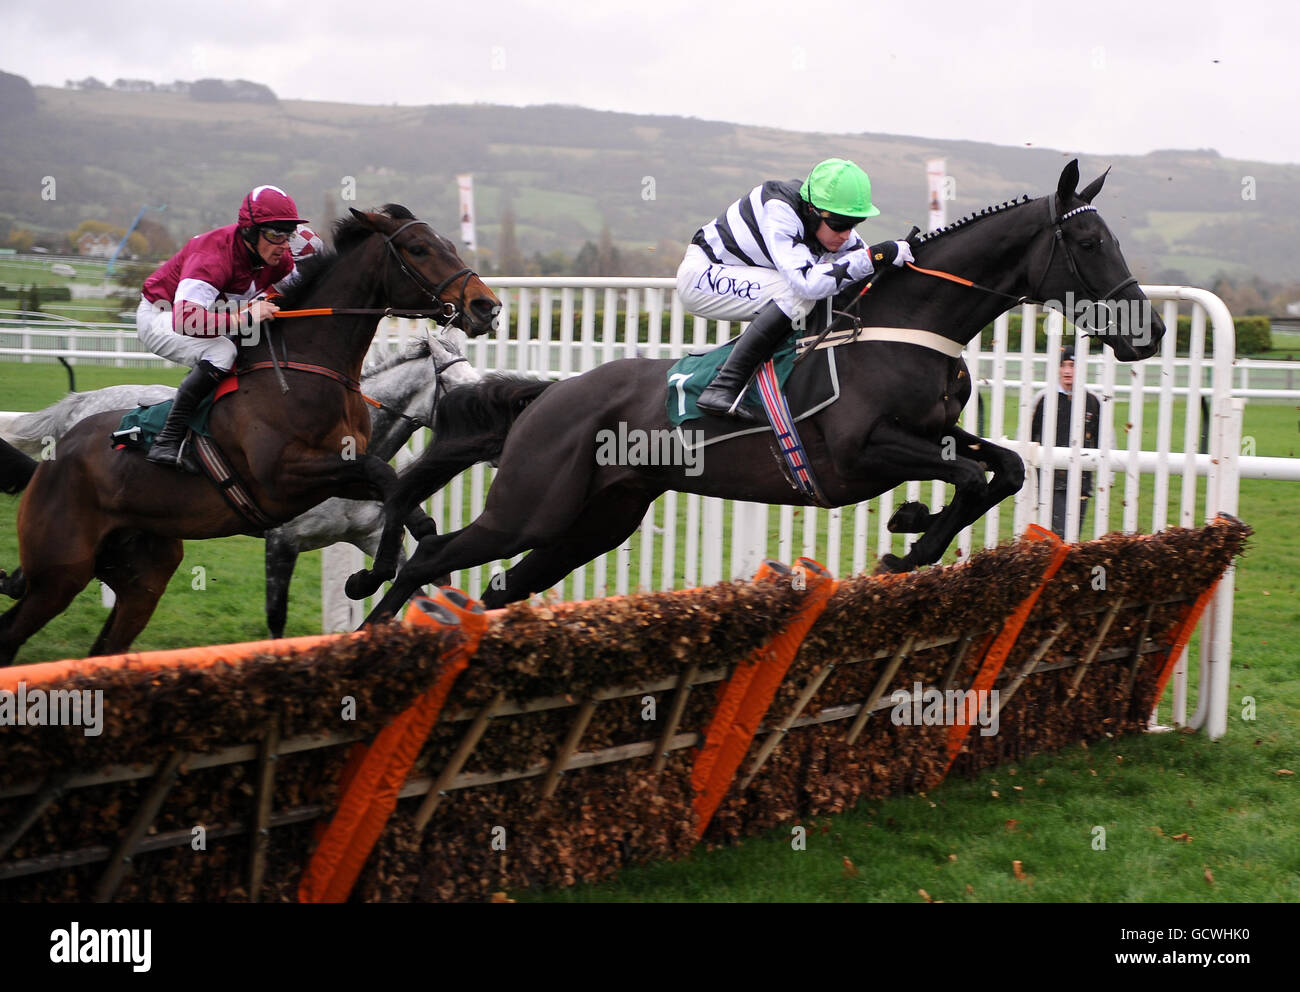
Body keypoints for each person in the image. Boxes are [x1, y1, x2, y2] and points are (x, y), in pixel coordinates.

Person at [675, 158, 914, 420]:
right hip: (701, 276)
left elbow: (862, 261)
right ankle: (723, 387)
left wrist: (890, 258)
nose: (846, 234)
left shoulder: (824, 215)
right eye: (839, 224)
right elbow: (809, 283)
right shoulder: (780, 211)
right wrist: (876, 256)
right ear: (813, 210)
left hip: (738, 273)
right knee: (797, 294)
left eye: (854, 224)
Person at [137, 185, 307, 471]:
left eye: (288, 235)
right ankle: (167, 439)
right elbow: (186, 320)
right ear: (250, 232)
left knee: (257, 345)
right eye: (276, 234)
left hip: (216, 314)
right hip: (162, 315)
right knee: (223, 351)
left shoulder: (278, 260)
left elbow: (295, 294)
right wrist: (245, 317)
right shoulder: (213, 255)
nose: (285, 245)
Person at [1030, 345, 1101, 539]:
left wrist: (1107, 476)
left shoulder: (1093, 401)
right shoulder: (1044, 398)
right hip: (1051, 479)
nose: (1068, 370)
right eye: (1063, 365)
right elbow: (1028, 435)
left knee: (1072, 537)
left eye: (1072, 365)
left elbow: (1103, 440)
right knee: (1059, 535)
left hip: (1082, 481)